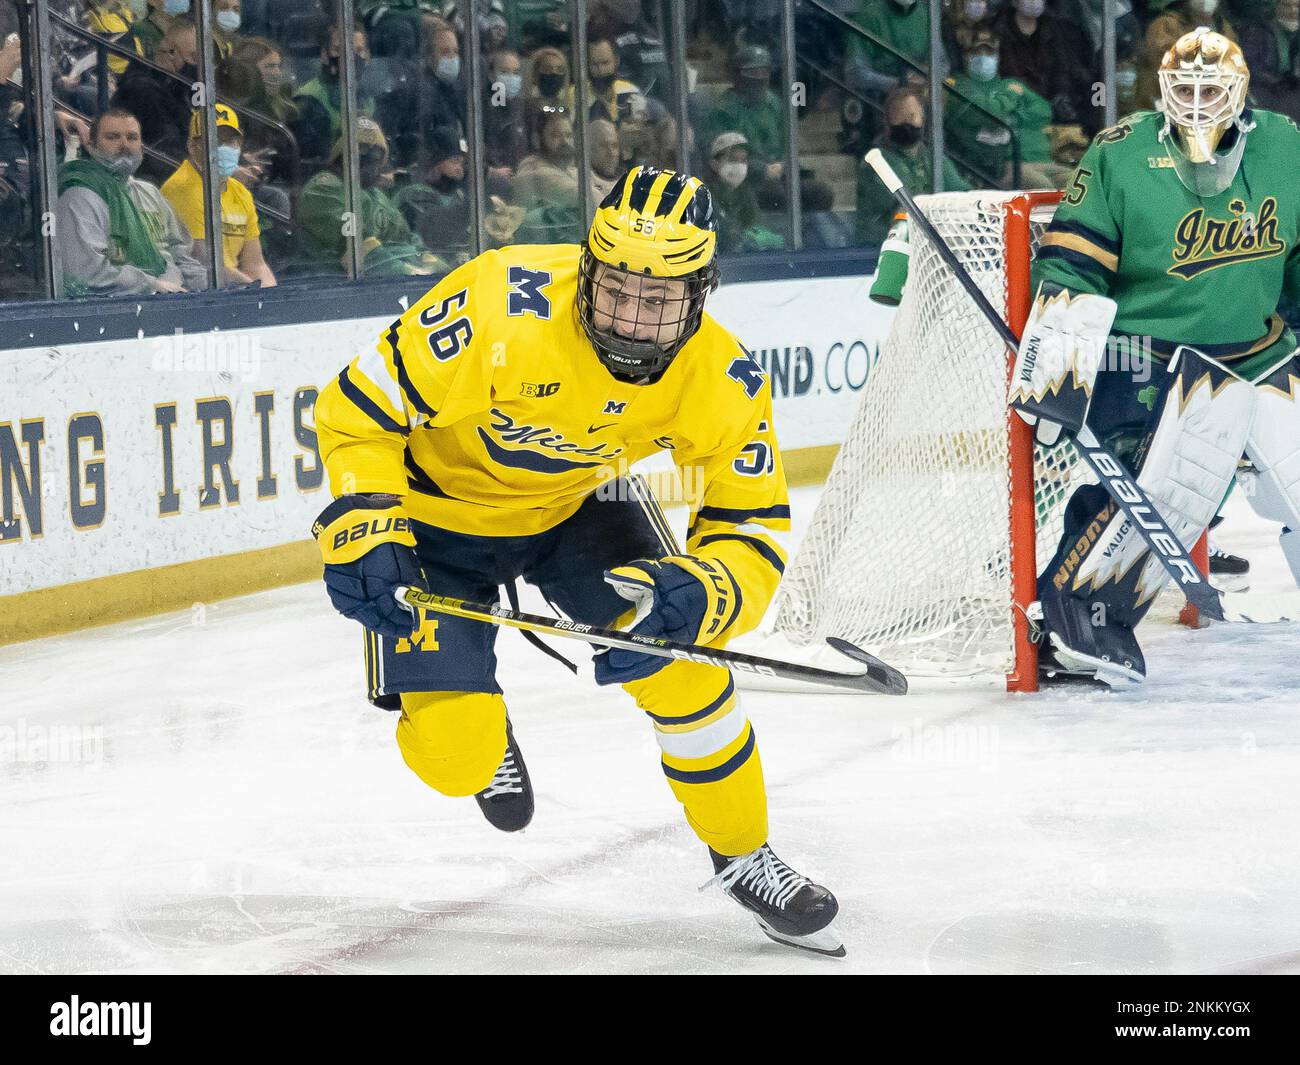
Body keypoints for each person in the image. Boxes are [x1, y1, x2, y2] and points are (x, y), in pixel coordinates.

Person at [309, 163, 844, 957]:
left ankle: (743, 854)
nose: (630, 318)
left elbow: (752, 521)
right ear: (587, 268)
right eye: (617, 289)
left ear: (700, 294)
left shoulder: (722, 377)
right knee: (456, 755)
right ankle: (486, 742)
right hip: (429, 521)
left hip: (578, 509)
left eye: (658, 300)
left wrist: (709, 590)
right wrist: (363, 520)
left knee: (685, 668)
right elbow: (355, 411)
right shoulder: (496, 301)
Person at [1011, 29, 1300, 684]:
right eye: (1185, 89)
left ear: (1242, 93)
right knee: (1169, 482)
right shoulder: (1121, 152)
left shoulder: (1286, 145)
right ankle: (1073, 608)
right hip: (1147, 357)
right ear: (1162, 91)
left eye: (1212, 89)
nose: (1197, 104)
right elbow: (1072, 263)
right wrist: (1058, 367)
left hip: (1260, 349)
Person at [55, 107, 206, 296]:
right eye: (112, 137)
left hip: (175, 298)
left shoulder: (150, 193)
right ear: (91, 145)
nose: (124, 144)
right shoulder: (79, 196)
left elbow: (182, 255)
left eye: (132, 138)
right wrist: (153, 286)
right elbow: (86, 271)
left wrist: (205, 287)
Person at [295, 117, 444, 277]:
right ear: (342, 156)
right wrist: (408, 273)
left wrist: (436, 267)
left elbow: (406, 237)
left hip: (392, 277)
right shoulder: (323, 189)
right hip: (336, 283)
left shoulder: (375, 193)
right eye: (361, 158)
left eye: (376, 160)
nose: (371, 167)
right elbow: (356, 247)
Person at [161, 104, 276, 287]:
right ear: (192, 146)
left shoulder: (240, 192)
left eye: (231, 141)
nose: (225, 148)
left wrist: (270, 295)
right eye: (215, 141)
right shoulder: (182, 189)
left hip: (236, 290)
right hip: (198, 294)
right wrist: (252, 292)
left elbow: (256, 264)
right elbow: (205, 263)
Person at [943, 30, 1061, 188]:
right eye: (977, 52)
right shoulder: (958, 86)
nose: (984, 57)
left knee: (1079, 184)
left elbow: (1044, 111)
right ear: (965, 55)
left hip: (1042, 160)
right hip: (1001, 166)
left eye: (989, 52)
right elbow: (990, 114)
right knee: (1044, 187)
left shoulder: (1011, 83)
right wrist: (1010, 97)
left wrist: (1013, 116)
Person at [856, 84, 968, 246]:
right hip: (884, 248)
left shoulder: (934, 159)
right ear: (887, 121)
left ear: (922, 119)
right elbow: (907, 206)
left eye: (911, 116)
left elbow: (962, 194)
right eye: (899, 117)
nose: (906, 123)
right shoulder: (877, 162)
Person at [111, 15, 198, 184]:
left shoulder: (188, 78)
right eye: (192, 55)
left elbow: (202, 116)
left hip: (181, 161)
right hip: (152, 167)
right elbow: (166, 137)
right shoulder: (140, 85)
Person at [293, 21, 373, 177]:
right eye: (340, 50)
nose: (351, 58)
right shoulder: (308, 99)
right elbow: (314, 159)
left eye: (358, 51)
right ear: (324, 55)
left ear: (368, 57)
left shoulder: (368, 96)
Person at [1137, 0, 1239, 110]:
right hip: (1172, 102)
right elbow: (1162, 68)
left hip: (1213, 104)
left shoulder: (1223, 28)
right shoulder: (1165, 25)